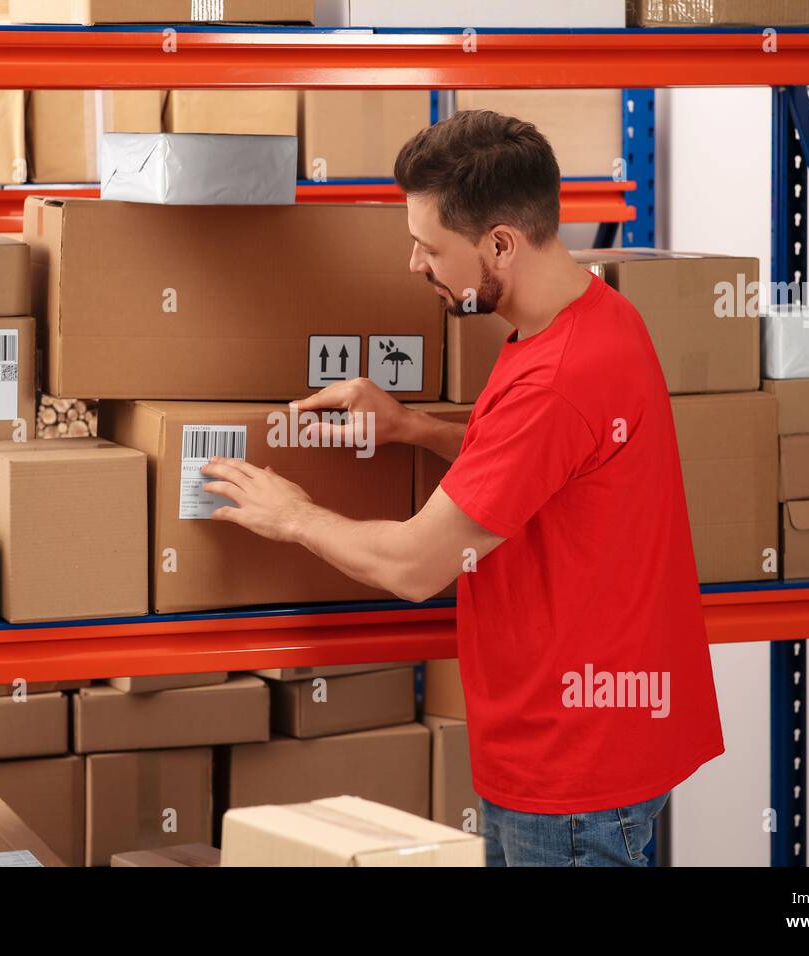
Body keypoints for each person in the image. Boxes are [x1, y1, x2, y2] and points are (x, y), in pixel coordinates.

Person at [199, 110, 725, 867]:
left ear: (500, 244)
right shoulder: (593, 318)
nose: (415, 263)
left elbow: (415, 566)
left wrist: (294, 514)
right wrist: (414, 430)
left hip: (573, 778)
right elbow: (545, 470)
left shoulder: (559, 378)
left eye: (430, 246)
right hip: (580, 748)